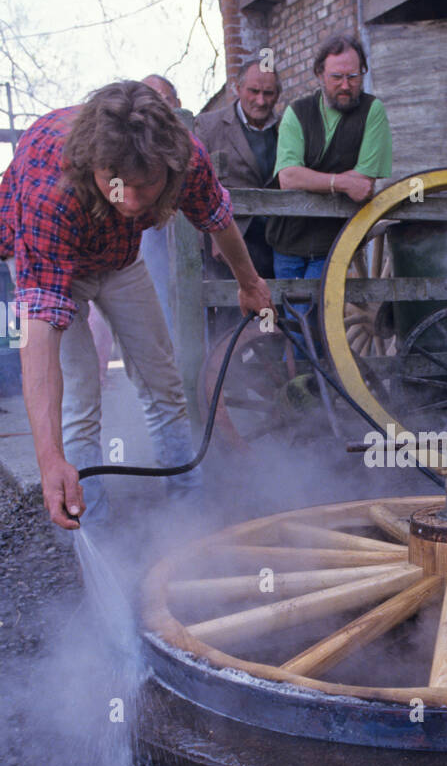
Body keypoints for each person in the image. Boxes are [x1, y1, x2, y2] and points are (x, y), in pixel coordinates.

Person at [0, 80, 273, 530]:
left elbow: (217, 217)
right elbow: (38, 331)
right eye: (115, 184)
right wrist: (48, 460)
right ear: (93, 165)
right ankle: (96, 529)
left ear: (169, 169)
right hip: (52, 261)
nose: (128, 202)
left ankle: (190, 512)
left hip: (120, 260)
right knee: (81, 395)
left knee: (163, 381)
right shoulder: (50, 189)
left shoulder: (186, 157)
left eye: (144, 187)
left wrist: (249, 283)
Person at [267, 34, 392, 347]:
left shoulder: (373, 112)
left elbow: (363, 185)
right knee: (295, 329)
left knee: (320, 326)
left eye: (353, 76)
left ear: (363, 71)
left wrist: (320, 179)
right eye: (337, 77)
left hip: (334, 240)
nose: (346, 85)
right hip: (288, 237)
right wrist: (339, 182)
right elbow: (288, 177)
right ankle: (297, 390)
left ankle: (318, 391)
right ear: (320, 75)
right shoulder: (297, 113)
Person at [194, 55, 282, 279]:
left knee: (274, 308)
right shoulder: (207, 126)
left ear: (278, 95)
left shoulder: (286, 129)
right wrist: (214, 235)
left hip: (276, 241)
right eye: (253, 91)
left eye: (268, 93)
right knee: (232, 310)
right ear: (237, 88)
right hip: (228, 241)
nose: (261, 101)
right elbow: (195, 185)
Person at [141, 74, 181, 333]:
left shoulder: (189, 141)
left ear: (176, 103)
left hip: (188, 233)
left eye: (165, 100)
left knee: (191, 296)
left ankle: (197, 365)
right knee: (157, 294)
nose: (158, 108)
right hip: (148, 231)